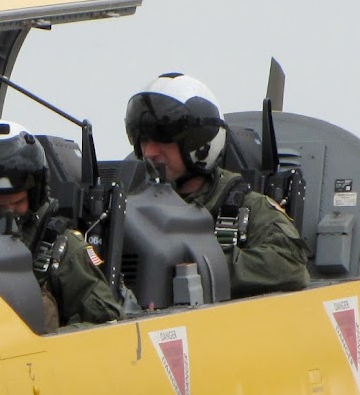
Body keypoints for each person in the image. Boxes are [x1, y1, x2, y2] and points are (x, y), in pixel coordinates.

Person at [125, 73, 310, 298]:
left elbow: (291, 265)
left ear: (201, 143)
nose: (150, 153)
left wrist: (196, 266)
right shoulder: (129, 210)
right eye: (144, 140)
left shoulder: (247, 207)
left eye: (163, 140)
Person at [0, 120, 123, 329]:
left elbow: (107, 324)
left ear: (34, 198)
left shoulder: (64, 252)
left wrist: (48, 344)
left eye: (17, 203)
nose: (8, 216)